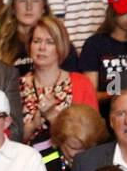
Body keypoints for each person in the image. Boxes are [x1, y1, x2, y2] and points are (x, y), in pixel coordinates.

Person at [18, 15, 97, 145]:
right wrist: (32, 126)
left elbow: (92, 136)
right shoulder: (16, 86)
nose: (42, 47)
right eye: (37, 41)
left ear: (61, 46)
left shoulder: (82, 84)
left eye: (50, 42)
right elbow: (7, 141)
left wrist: (54, 118)